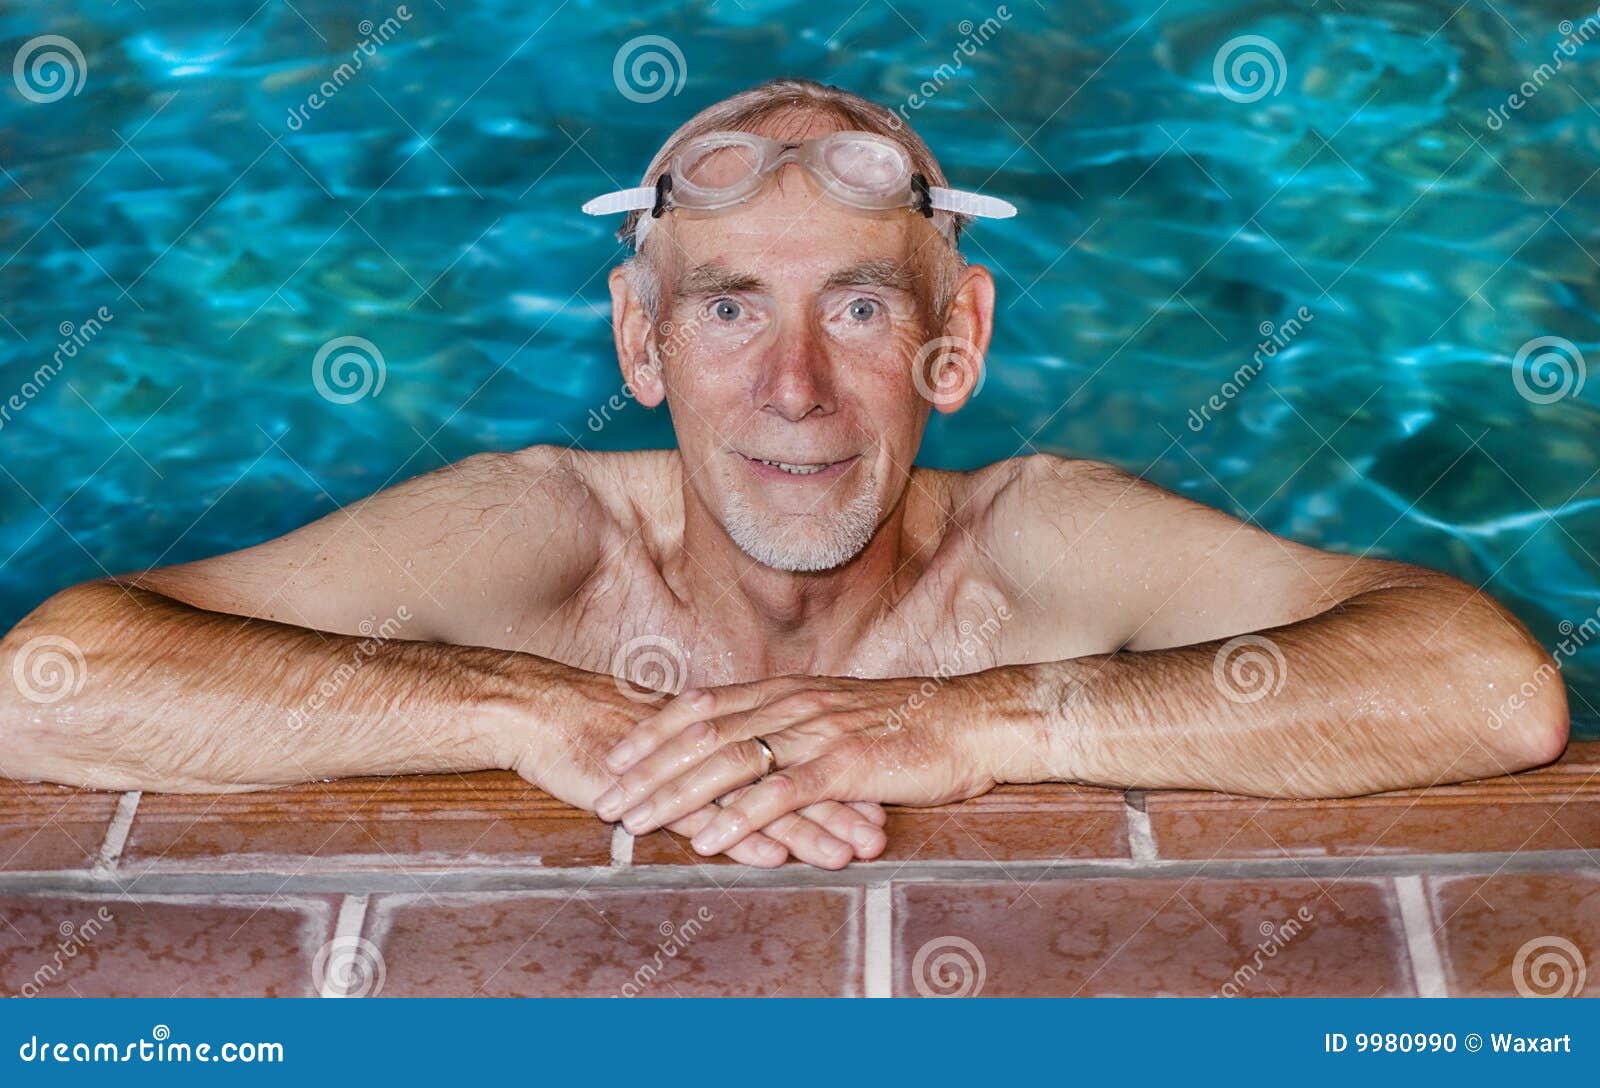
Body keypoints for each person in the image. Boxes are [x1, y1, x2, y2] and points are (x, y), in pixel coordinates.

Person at [0, 79, 1566, 870]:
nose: (794, 387)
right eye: (728, 306)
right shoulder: (534, 535)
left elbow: (1490, 689)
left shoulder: (1043, 543)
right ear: (640, 341)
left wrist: (979, 727)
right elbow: (48, 682)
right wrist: (528, 710)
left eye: (865, 308)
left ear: (957, 348)